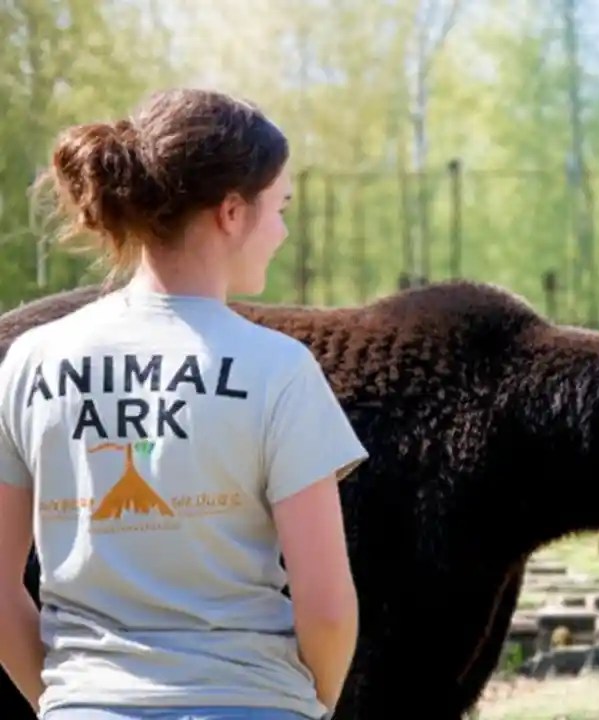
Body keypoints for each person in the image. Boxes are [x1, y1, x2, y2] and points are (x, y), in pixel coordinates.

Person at [0, 88, 368, 720]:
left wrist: (71, 701)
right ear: (231, 212)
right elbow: (328, 607)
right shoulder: (280, 371)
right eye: (279, 207)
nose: (282, 231)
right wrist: (306, 704)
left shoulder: (34, 361)